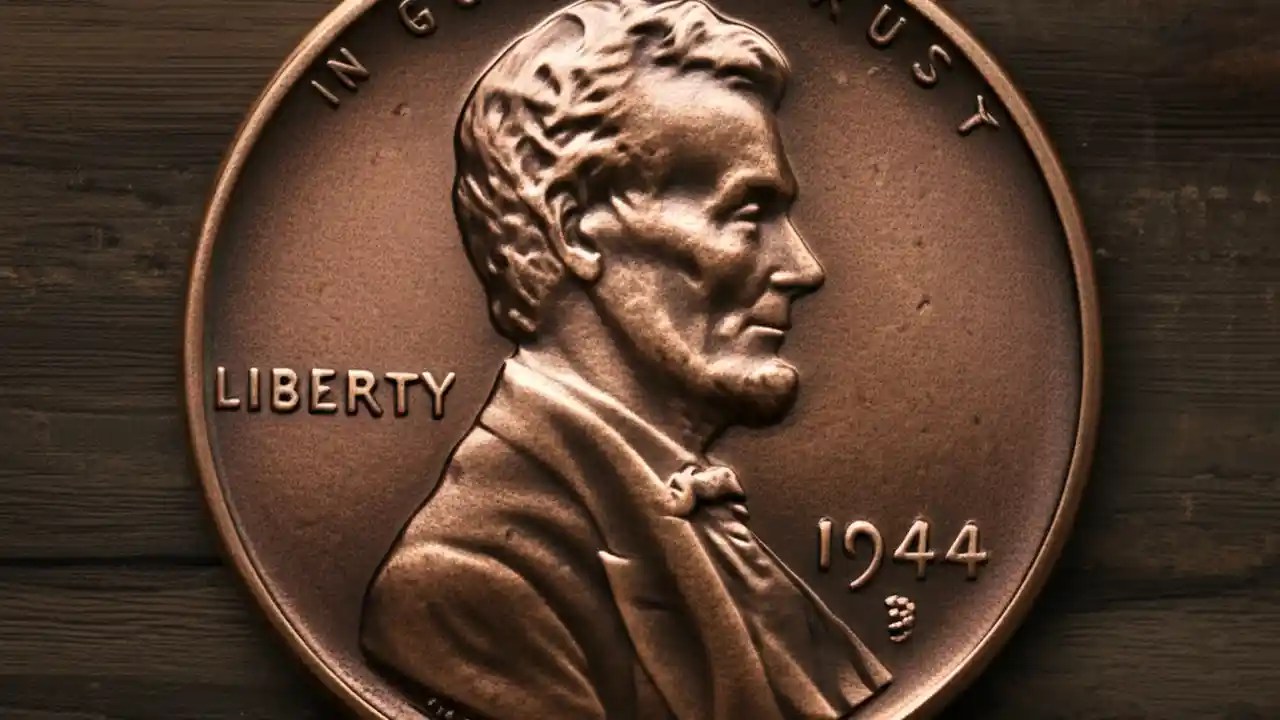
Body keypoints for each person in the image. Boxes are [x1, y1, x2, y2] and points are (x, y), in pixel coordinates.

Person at [360, 2, 891, 717]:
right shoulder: (468, 582)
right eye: (747, 212)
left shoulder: (696, 520)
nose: (801, 266)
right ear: (574, 226)